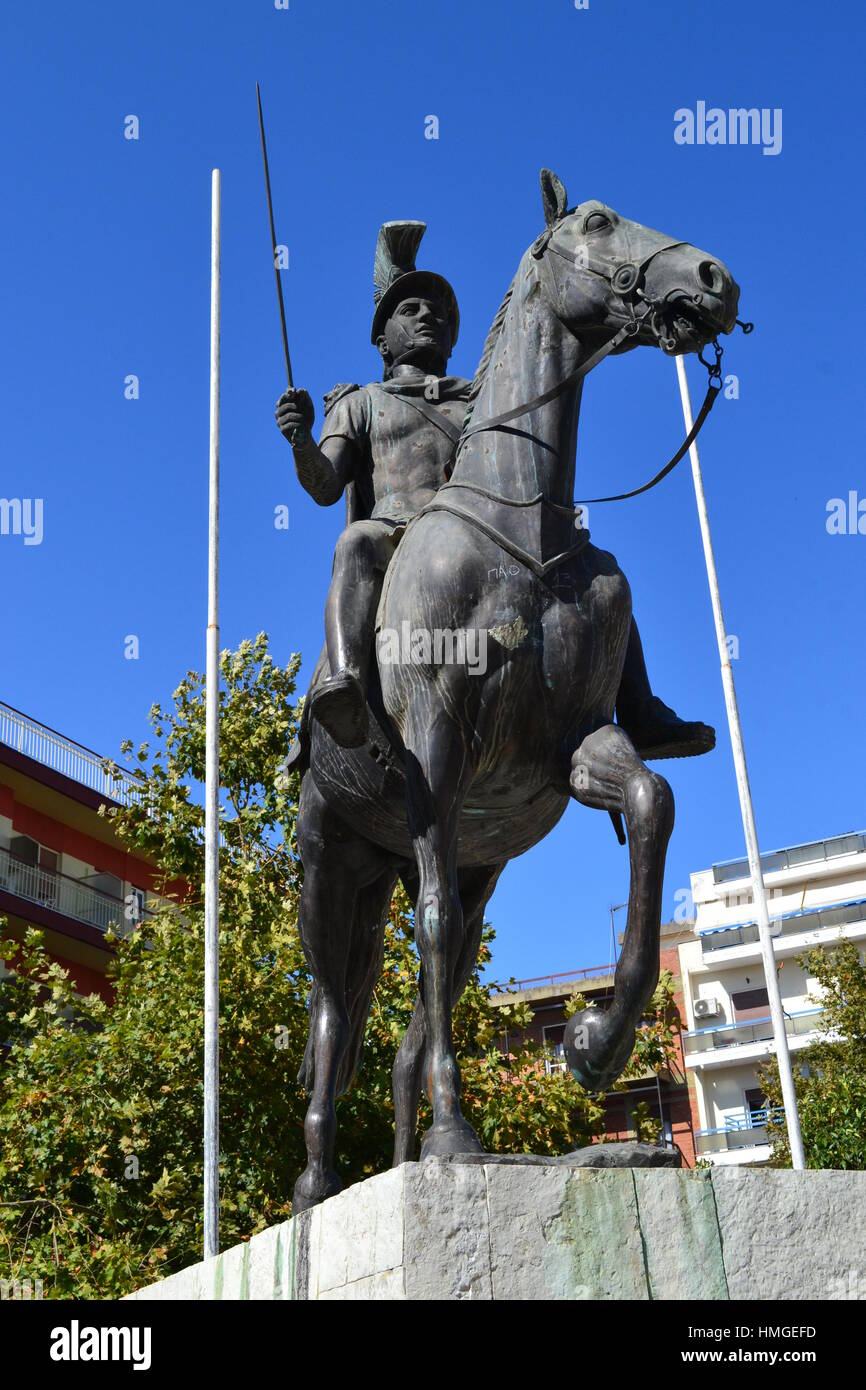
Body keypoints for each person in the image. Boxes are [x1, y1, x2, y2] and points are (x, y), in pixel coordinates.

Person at [276, 220, 713, 761]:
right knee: (354, 543)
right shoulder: (362, 401)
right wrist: (300, 439)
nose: (428, 316)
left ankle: (638, 709)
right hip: (398, 539)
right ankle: (343, 682)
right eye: (409, 310)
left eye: (439, 311)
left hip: (479, 537)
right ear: (381, 338)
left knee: (594, 566)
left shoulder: (480, 401)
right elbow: (324, 487)